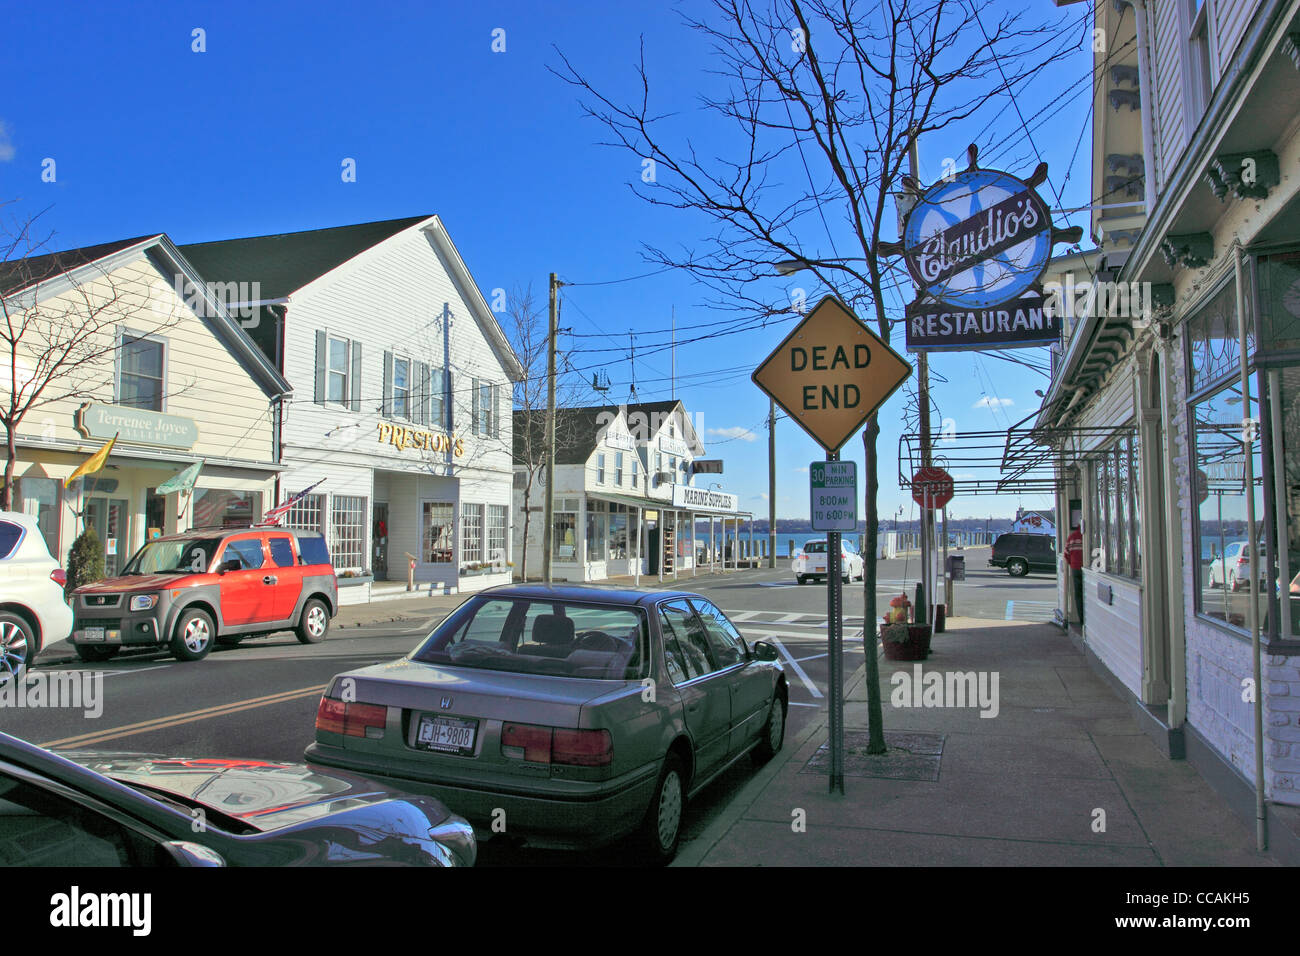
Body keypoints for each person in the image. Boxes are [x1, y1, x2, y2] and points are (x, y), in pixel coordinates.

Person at [1066, 523, 1084, 625]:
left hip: (1075, 568)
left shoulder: (1072, 537)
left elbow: (1066, 553)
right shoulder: (1088, 536)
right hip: (1087, 568)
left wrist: (1071, 563)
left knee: (1078, 595)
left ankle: (1081, 619)